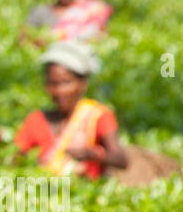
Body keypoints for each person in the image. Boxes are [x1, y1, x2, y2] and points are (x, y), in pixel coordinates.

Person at [11, 42, 126, 178]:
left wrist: (92, 154)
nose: (58, 91)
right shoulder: (37, 120)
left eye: (66, 83)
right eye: (52, 83)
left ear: (82, 84)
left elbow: (121, 159)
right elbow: (16, 156)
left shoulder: (98, 116)